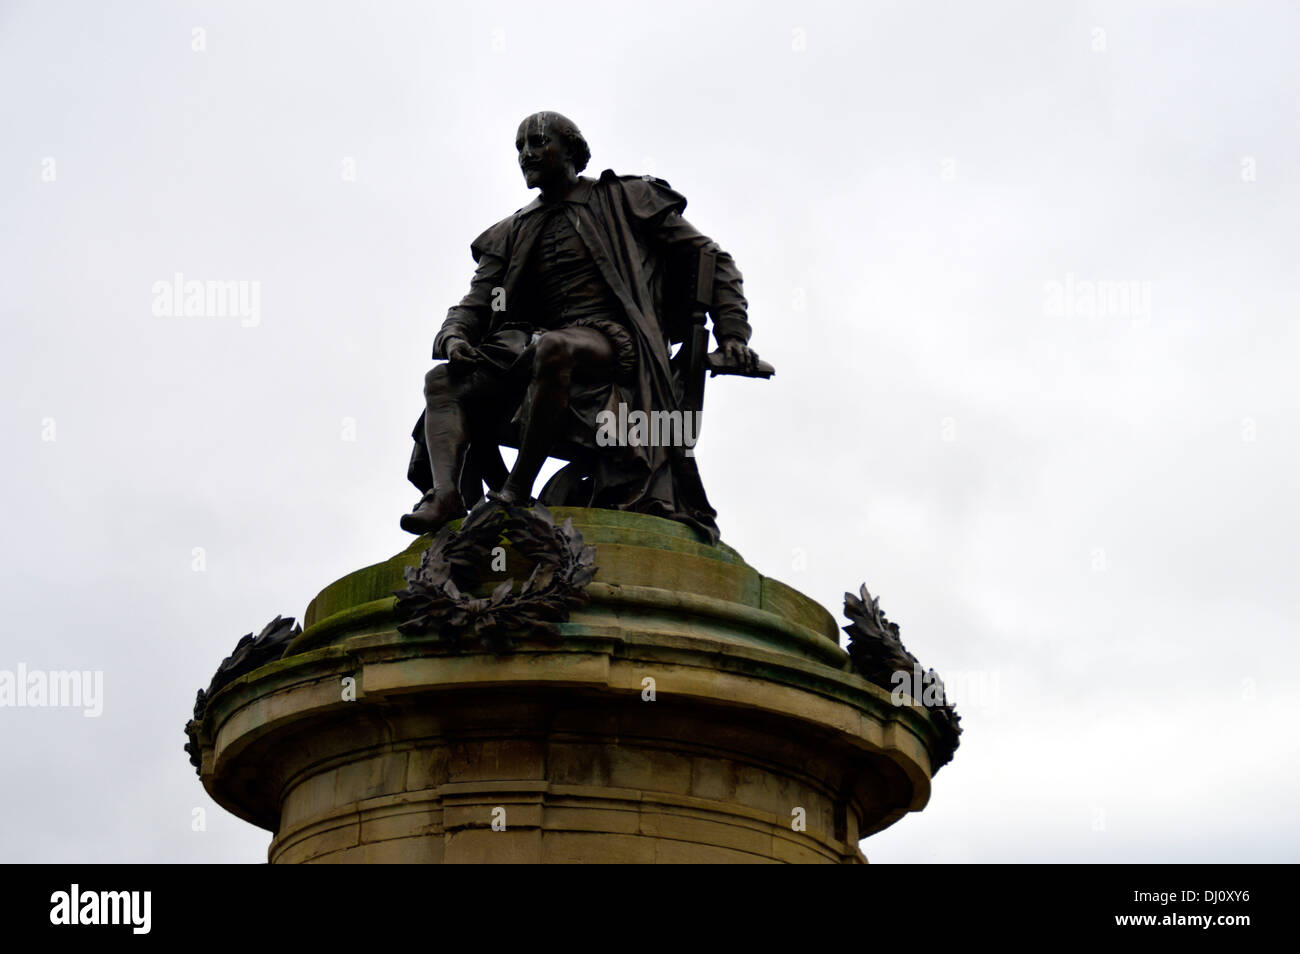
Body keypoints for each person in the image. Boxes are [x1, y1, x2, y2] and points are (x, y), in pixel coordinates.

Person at [402, 111, 759, 544]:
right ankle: (446, 497)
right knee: (442, 380)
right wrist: (454, 335)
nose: (526, 154)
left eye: (537, 143)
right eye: (519, 147)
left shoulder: (625, 197)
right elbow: (476, 302)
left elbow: (709, 257)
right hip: (525, 350)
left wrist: (733, 333)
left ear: (571, 150)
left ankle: (515, 491)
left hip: (615, 341)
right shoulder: (510, 230)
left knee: (553, 348)